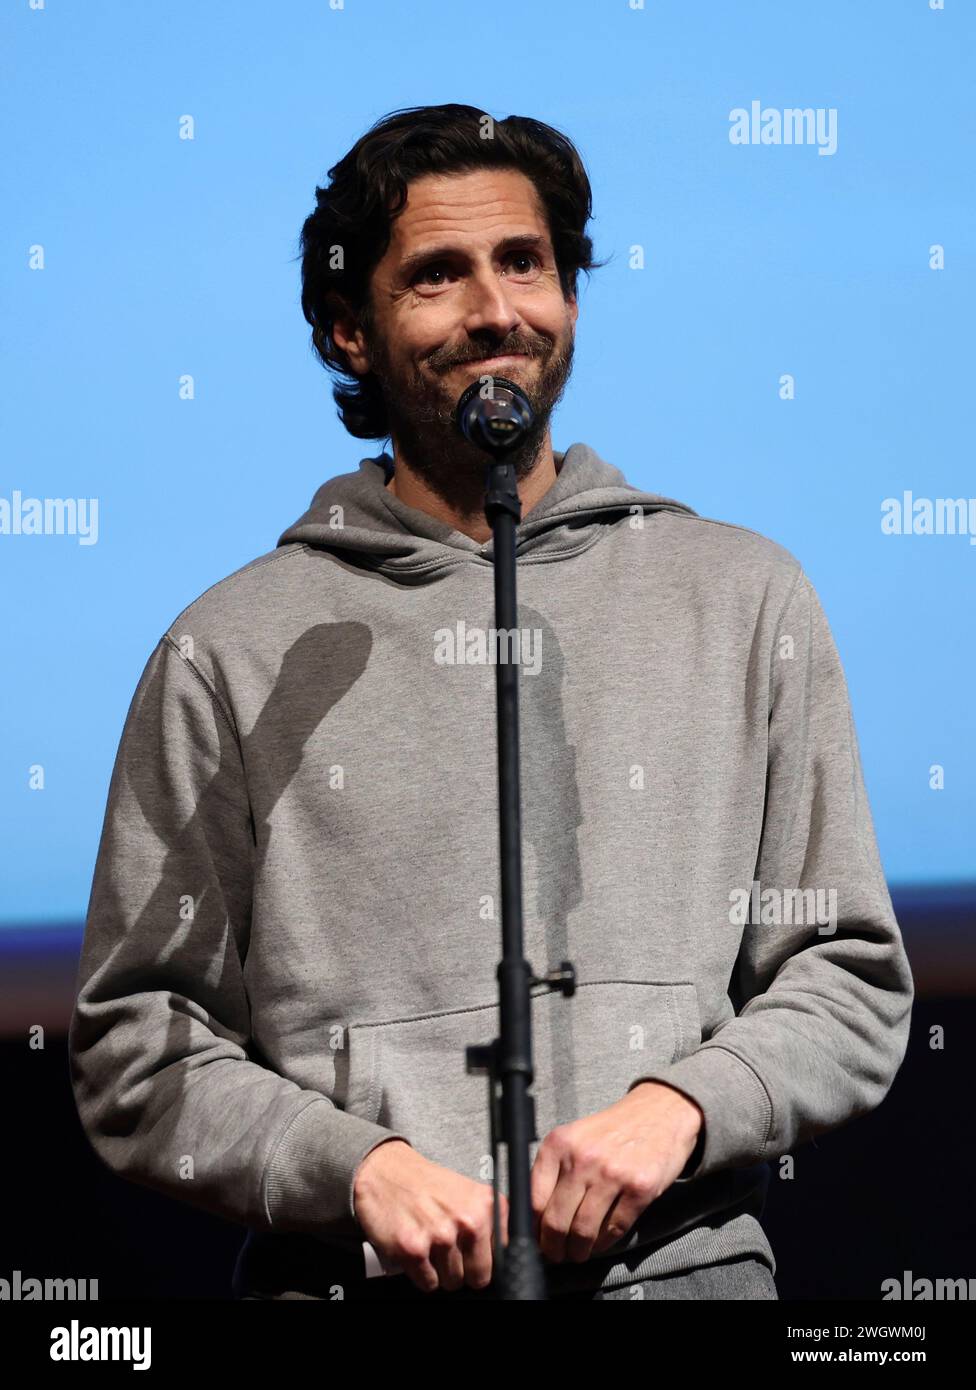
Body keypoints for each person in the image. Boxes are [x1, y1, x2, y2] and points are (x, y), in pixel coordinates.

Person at [69, 103, 914, 1303]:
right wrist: (355, 1168)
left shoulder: (742, 596)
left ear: (570, 293)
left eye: (525, 263)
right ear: (348, 330)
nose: (494, 311)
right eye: (436, 276)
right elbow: (134, 1040)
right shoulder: (234, 647)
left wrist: (682, 1105)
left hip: (684, 1280)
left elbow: (844, 971)